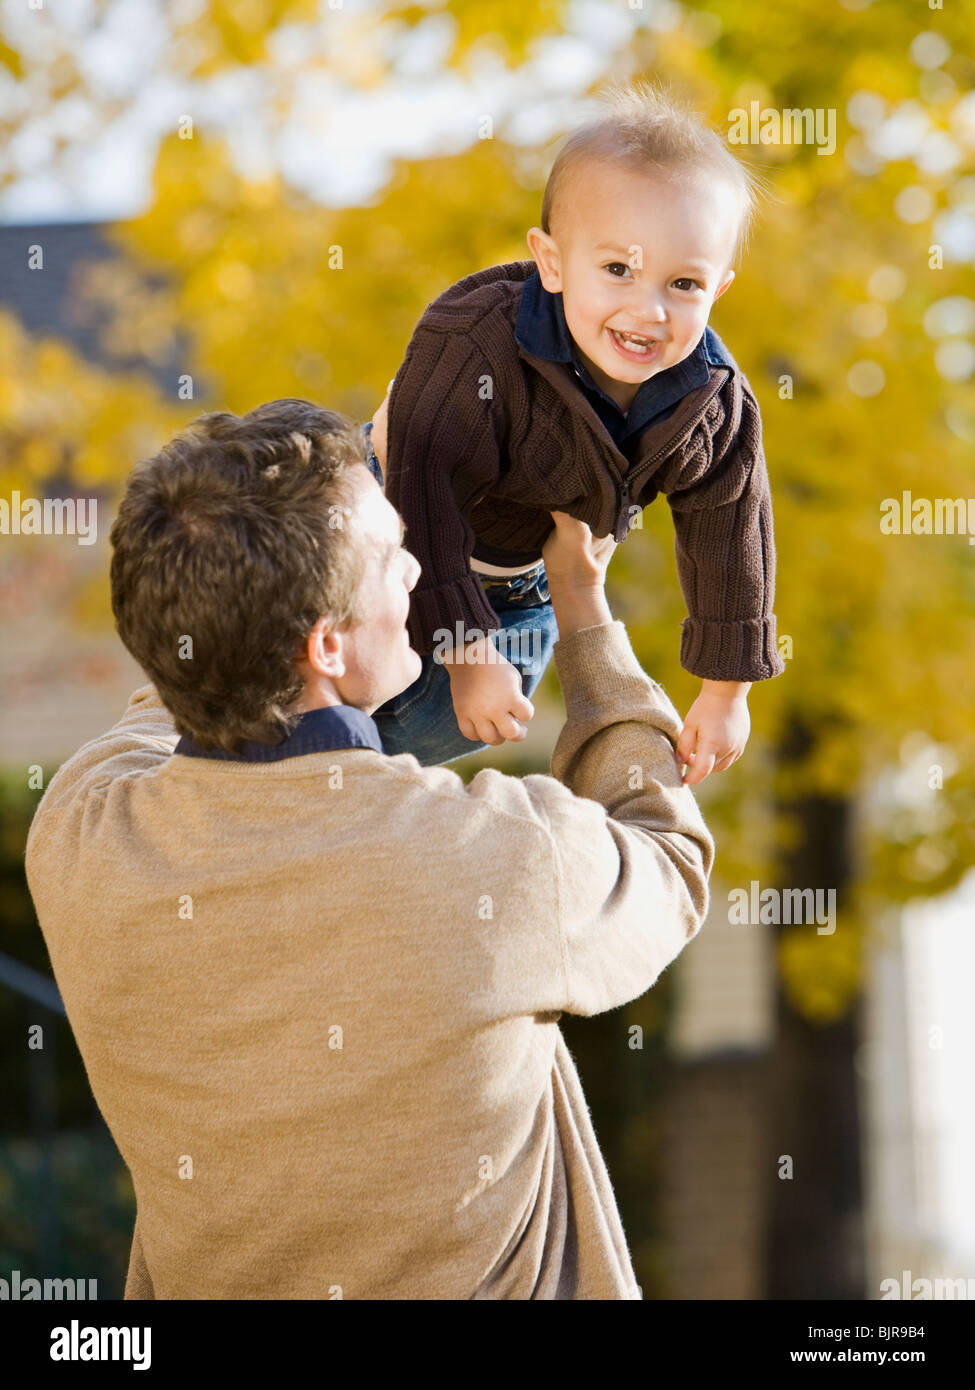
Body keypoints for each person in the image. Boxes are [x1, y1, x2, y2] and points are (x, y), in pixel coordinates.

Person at [24, 399, 714, 1300]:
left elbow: (184, 686)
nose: (420, 566)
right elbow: (665, 852)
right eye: (395, 555)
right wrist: (583, 615)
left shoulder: (79, 836)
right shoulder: (499, 860)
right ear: (326, 643)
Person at [368, 82, 785, 780]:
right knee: (325, 678)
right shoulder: (475, 341)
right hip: (387, 531)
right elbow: (424, 486)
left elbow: (730, 537)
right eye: (618, 270)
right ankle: (279, 750)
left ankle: (346, 780)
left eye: (682, 284)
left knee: (472, 717)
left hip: (518, 582)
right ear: (552, 262)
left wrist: (724, 694)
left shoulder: (713, 406)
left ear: (717, 290)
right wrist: (466, 651)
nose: (647, 309)